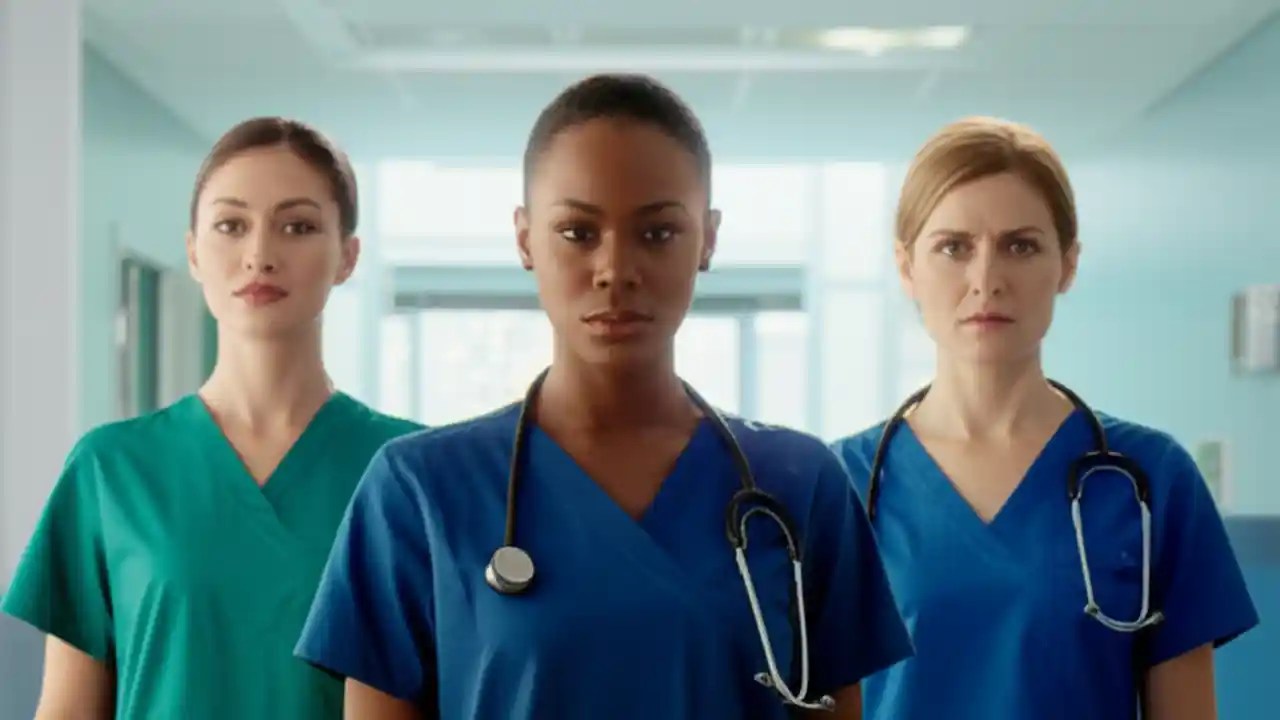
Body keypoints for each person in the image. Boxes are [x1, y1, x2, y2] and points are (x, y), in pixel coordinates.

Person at [294, 73, 913, 720]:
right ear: (524, 238)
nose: (615, 269)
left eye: (657, 233)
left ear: (708, 238)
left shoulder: (799, 484)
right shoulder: (418, 490)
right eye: (577, 232)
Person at [830, 116, 1259, 720]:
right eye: (953, 247)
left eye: (1020, 246)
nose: (986, 280)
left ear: (1068, 264)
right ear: (906, 267)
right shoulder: (838, 486)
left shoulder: (1152, 479)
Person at [1, 116, 423, 719]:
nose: (260, 255)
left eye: (297, 227)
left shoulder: (409, 472)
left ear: (347, 256)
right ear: (194, 251)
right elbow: (67, 710)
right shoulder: (110, 469)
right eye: (231, 225)